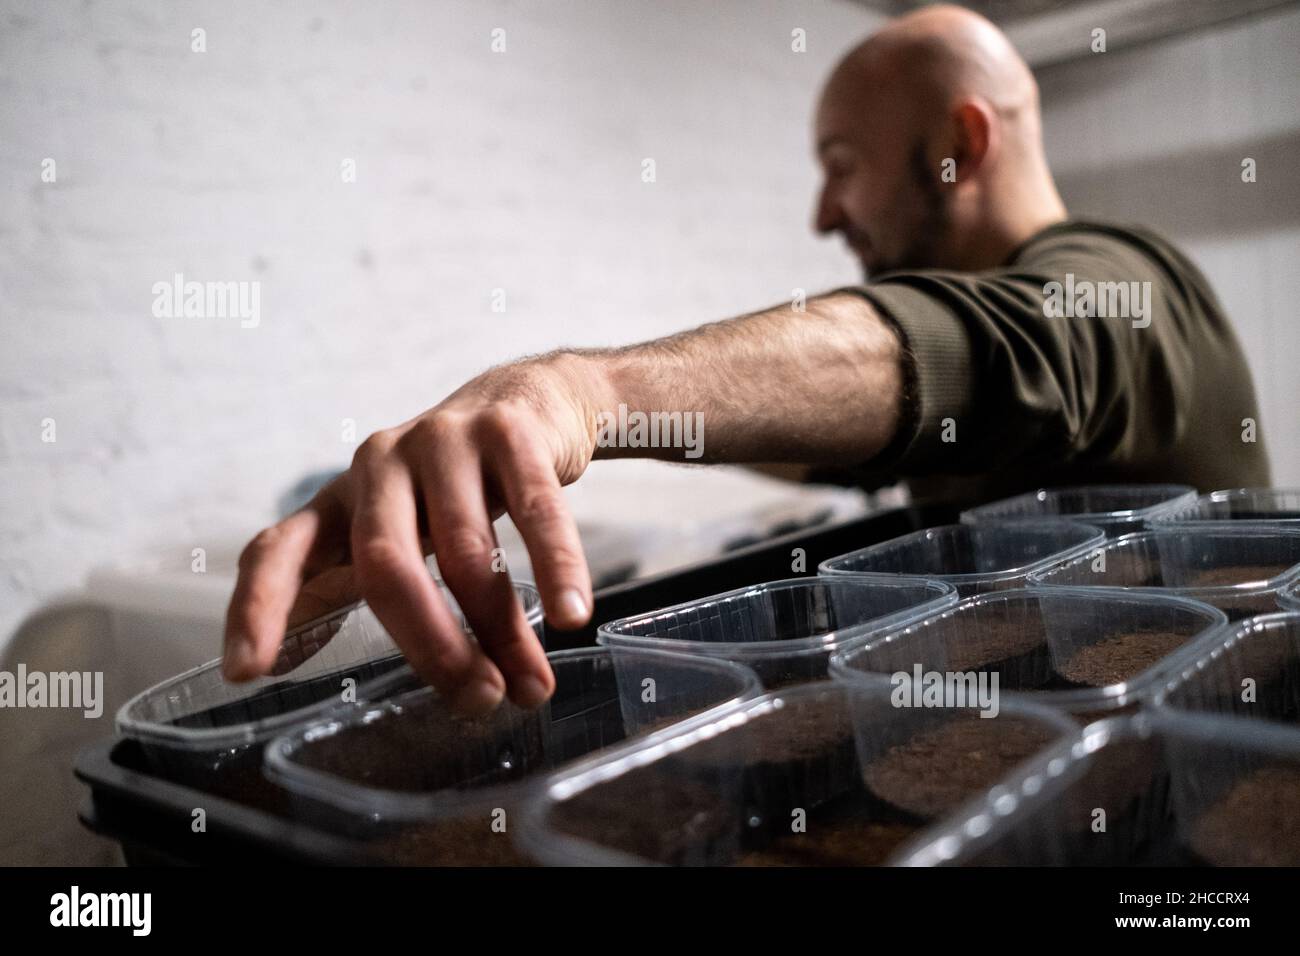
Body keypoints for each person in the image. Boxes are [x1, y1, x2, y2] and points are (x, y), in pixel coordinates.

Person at [222, 5, 1269, 714]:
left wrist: (587, 391)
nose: (823, 214)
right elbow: (827, 433)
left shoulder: (1127, 288)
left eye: (840, 167)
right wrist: (543, 452)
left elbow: (995, 348)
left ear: (961, 141)